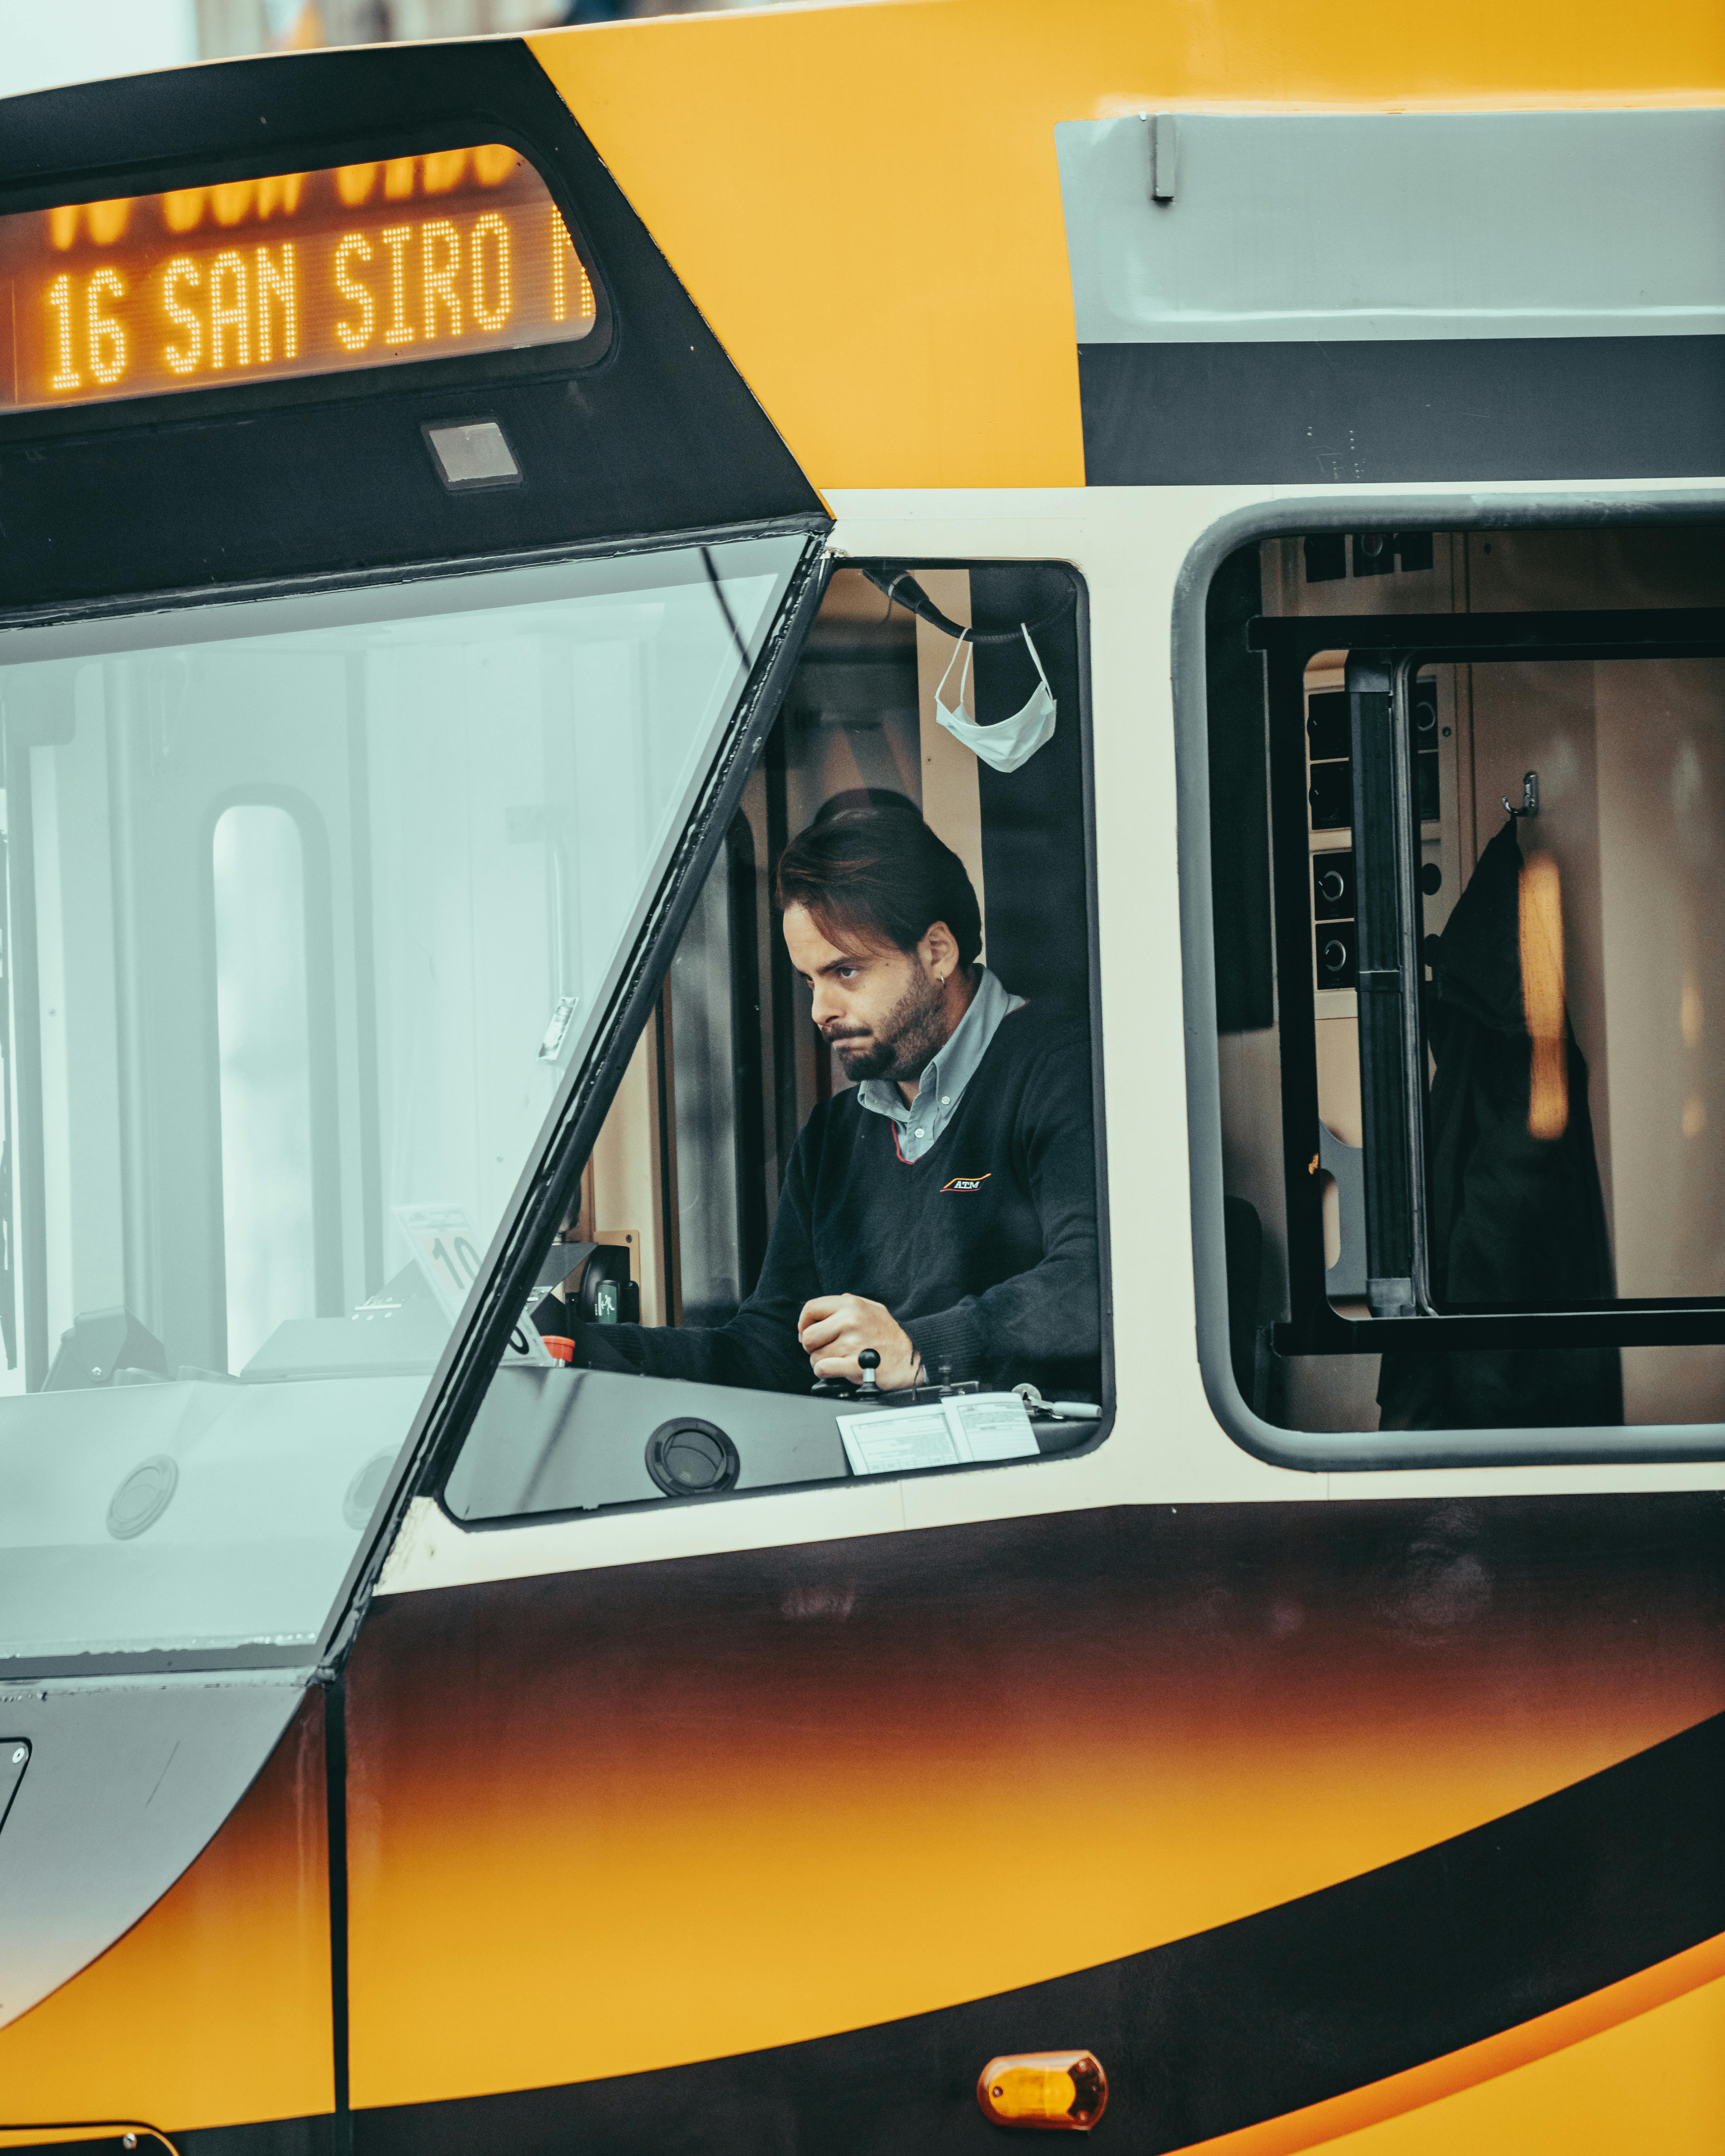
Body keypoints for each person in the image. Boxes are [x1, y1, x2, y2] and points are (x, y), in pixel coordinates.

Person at [569, 807, 1100, 1399]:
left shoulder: (1067, 1070)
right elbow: (771, 1351)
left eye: (845, 972)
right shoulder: (832, 1138)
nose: (820, 1010)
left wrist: (921, 1351)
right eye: (809, 981)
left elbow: (1097, 1278)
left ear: (937, 952)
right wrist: (584, 1350)